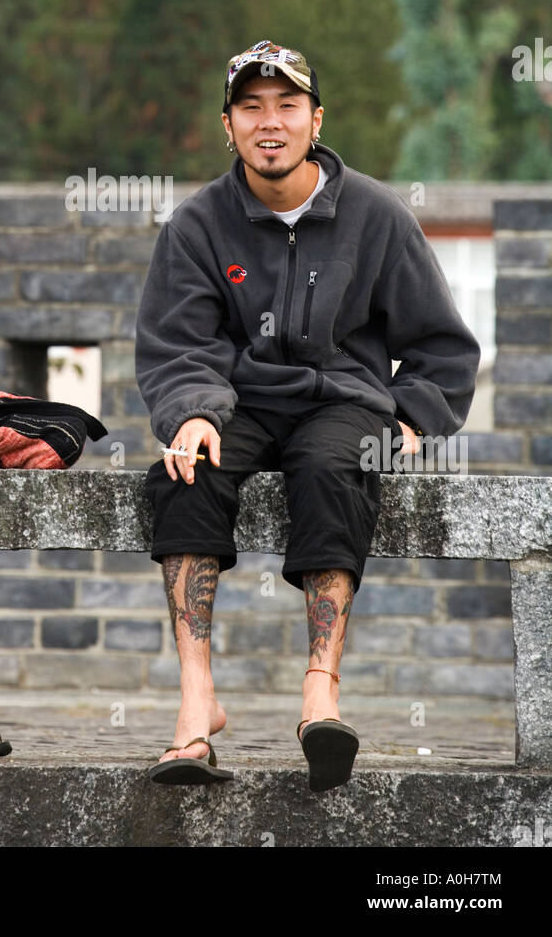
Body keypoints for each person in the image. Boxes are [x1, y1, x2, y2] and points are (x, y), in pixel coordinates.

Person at [135, 39, 481, 791]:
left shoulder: (377, 216)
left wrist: (415, 419)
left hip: (345, 401)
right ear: (226, 125)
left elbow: (443, 346)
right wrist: (191, 414)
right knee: (186, 474)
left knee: (335, 465)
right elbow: (177, 344)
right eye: (250, 108)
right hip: (239, 402)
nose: (270, 123)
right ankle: (197, 704)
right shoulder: (197, 225)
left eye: (287, 106)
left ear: (315, 119)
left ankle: (319, 691)